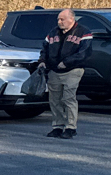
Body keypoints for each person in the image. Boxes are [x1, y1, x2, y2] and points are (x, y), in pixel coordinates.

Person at [38, 8, 91, 138]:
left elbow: (84, 53)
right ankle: (57, 126)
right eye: (58, 19)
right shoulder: (53, 32)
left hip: (73, 70)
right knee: (54, 100)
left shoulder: (83, 32)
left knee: (68, 98)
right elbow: (44, 48)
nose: (59, 21)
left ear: (71, 19)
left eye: (62, 19)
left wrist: (67, 62)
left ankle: (70, 127)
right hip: (54, 71)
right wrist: (42, 61)